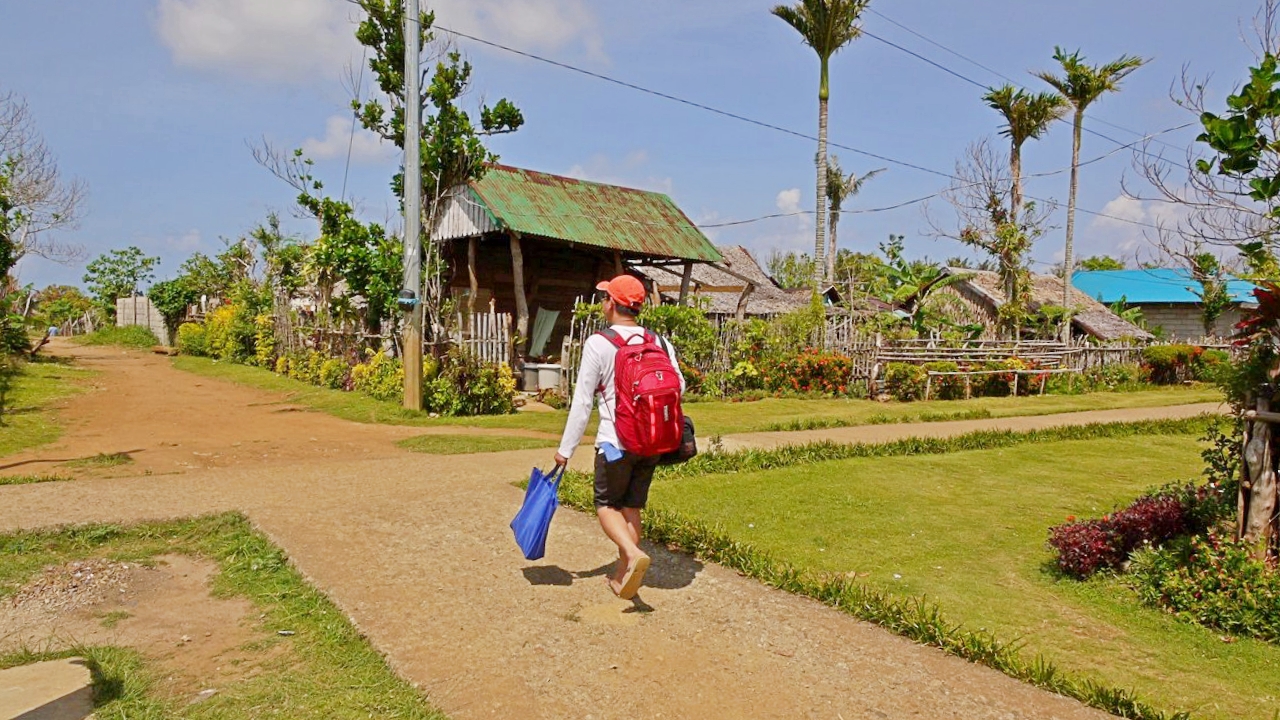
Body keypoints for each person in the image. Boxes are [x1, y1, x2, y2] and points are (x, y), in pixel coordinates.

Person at [554, 274, 684, 600]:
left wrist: (565, 449)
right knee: (631, 506)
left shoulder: (600, 343)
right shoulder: (659, 341)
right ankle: (620, 577)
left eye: (604, 298)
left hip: (616, 441)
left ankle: (631, 552)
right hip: (653, 442)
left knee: (606, 505)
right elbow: (678, 386)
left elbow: (583, 401)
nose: (602, 303)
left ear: (612, 303)